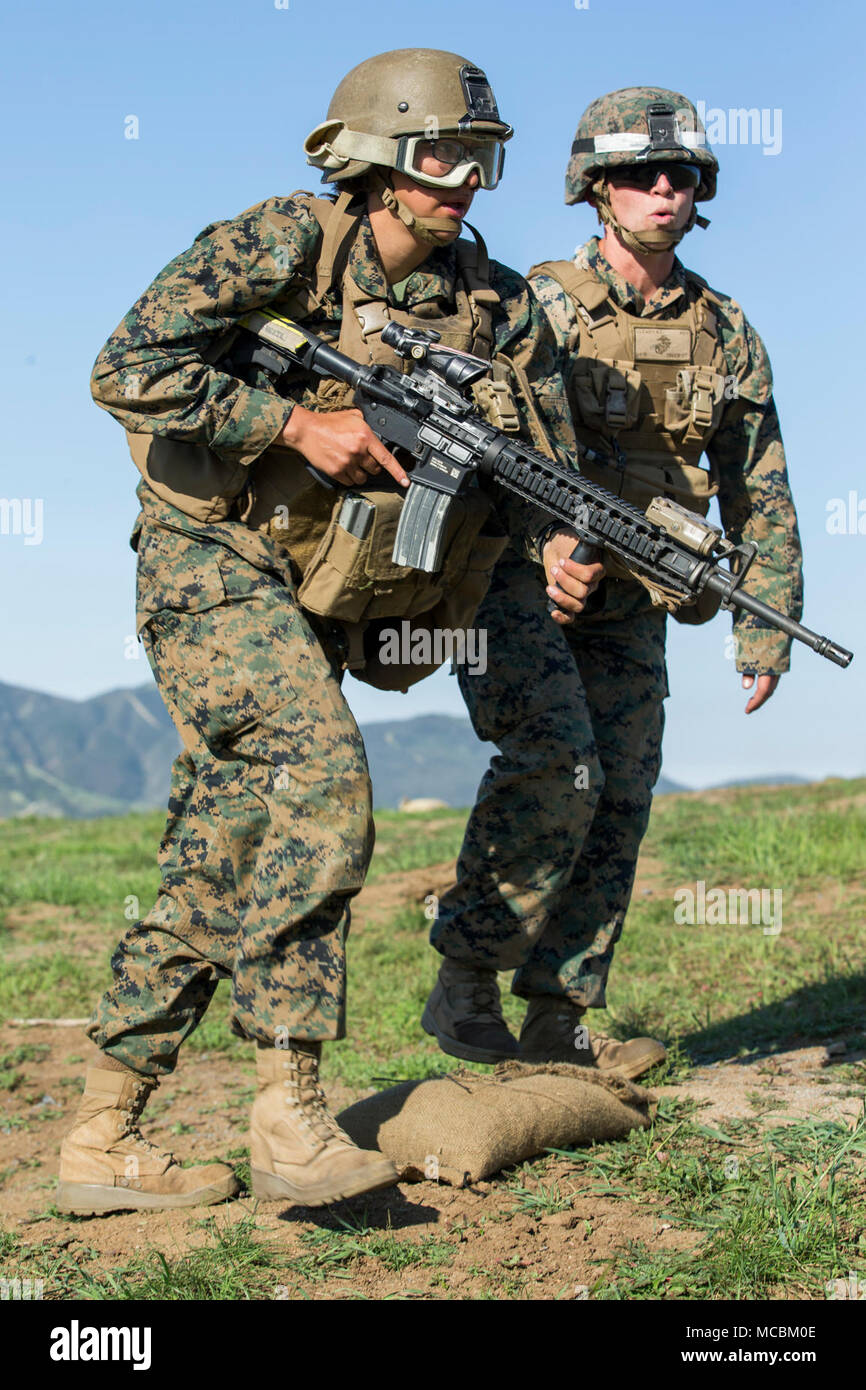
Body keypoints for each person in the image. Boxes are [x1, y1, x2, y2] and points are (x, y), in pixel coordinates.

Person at [57, 48, 586, 1215]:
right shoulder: (281, 242)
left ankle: (102, 1134)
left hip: (336, 587)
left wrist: (563, 536)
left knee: (225, 840)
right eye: (437, 153)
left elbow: (538, 459)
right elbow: (125, 365)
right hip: (210, 562)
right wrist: (289, 421)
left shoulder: (491, 301)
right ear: (374, 159)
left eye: (479, 157)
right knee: (316, 775)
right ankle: (290, 1114)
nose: (460, 178)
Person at [422, 88, 803, 1078]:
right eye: (640, 173)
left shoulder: (723, 330)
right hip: (513, 586)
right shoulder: (531, 303)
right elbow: (466, 440)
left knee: (618, 791)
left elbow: (755, 484)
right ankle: (464, 974)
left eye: (681, 175)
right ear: (595, 188)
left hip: (637, 601)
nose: (663, 190)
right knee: (552, 764)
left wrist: (766, 629)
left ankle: (560, 1015)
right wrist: (540, 544)